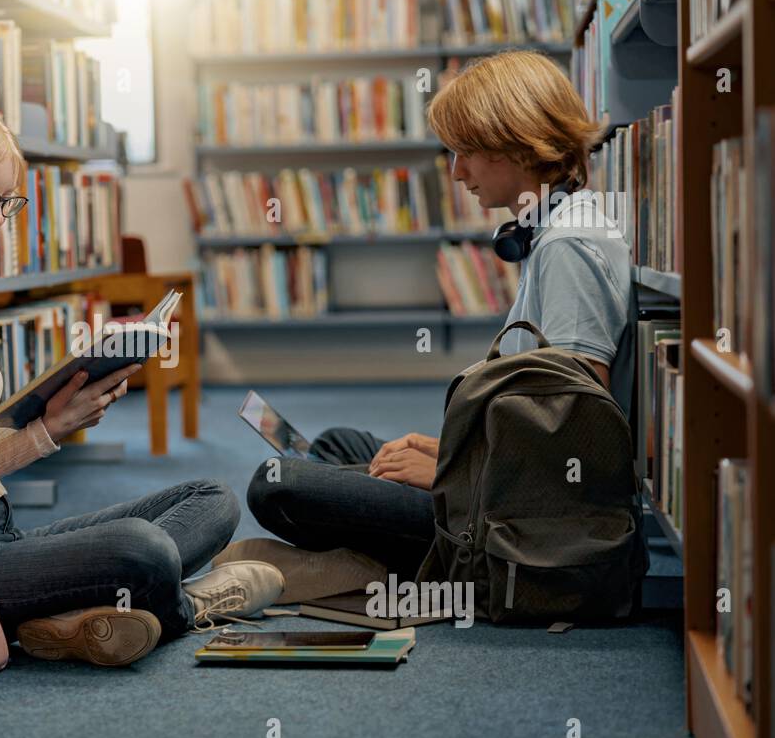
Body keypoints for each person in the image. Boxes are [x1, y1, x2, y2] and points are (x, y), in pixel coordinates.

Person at [0, 101, 284, 668]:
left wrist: (54, 407)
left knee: (210, 499)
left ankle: (76, 613)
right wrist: (44, 435)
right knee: (143, 551)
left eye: (6, 201)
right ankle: (184, 606)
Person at [228, 49, 631, 597]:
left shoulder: (567, 249)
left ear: (517, 142)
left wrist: (450, 475)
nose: (457, 171)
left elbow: (573, 448)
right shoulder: (554, 229)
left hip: (518, 522)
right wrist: (448, 452)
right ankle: (360, 559)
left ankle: (373, 566)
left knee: (275, 486)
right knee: (340, 444)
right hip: (496, 486)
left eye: (466, 152)